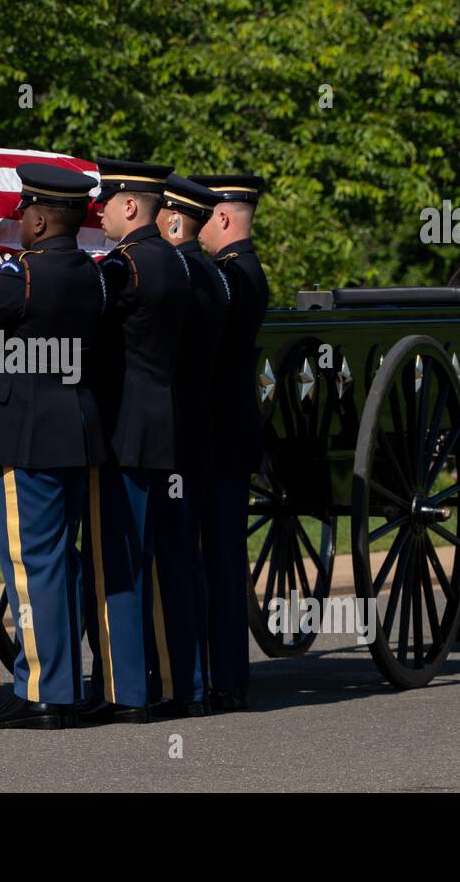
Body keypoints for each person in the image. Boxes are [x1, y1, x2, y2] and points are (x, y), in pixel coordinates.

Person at [0, 162, 107, 729]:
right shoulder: (94, 276)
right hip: (75, 425)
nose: (18, 223)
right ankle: (62, 685)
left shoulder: (20, 277)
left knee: (32, 564)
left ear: (41, 220)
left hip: (25, 432)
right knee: (61, 561)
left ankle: (44, 691)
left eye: (24, 215)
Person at [83, 158, 189, 725]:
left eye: (105, 202)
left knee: (116, 562)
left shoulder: (124, 268)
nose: (97, 211)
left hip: (122, 430)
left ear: (130, 205)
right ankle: (172, 684)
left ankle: (125, 692)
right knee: (154, 560)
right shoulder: (173, 261)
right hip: (162, 424)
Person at [144, 174, 231, 717]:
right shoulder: (211, 272)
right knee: (185, 559)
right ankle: (191, 681)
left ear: (173, 219)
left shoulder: (181, 271)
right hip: (199, 433)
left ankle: (184, 686)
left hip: (178, 435)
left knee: (173, 559)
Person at [190, 173, 271, 711]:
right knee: (217, 558)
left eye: (200, 219)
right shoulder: (237, 271)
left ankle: (224, 679)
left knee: (217, 559)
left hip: (218, 439)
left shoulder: (233, 276)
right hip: (223, 436)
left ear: (221, 217)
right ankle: (222, 676)